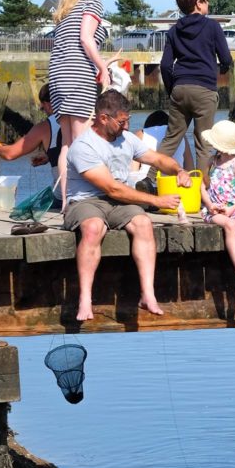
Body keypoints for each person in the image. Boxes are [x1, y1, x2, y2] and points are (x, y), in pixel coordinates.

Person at [63, 90, 191, 321]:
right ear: (103, 118)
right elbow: (112, 188)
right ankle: (85, 299)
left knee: (143, 223)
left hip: (119, 202)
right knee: (93, 228)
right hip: (85, 201)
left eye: (128, 120)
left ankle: (148, 295)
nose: (127, 125)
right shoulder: (84, 146)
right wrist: (156, 201)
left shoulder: (127, 138)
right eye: (122, 121)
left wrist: (179, 170)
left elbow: (159, 159)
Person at [48, 0, 111, 202]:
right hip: (77, 74)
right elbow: (86, 39)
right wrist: (102, 66)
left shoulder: (64, 10)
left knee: (67, 142)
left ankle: (67, 200)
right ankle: (83, 198)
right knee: (84, 140)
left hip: (58, 75)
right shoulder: (92, 3)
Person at [158, 0, 233, 168]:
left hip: (180, 87)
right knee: (204, 143)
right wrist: (222, 69)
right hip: (204, 89)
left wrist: (172, 89)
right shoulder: (212, 27)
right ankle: (203, 189)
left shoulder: (174, 31)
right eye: (206, 1)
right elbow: (226, 58)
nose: (208, 4)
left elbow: (165, 65)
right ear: (199, 3)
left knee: (171, 138)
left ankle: (150, 178)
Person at [199, 119, 235, 294]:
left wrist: (233, 209)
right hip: (214, 210)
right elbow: (203, 187)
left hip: (234, 208)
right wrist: (210, 205)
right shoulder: (211, 162)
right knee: (230, 226)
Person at [0, 83, 63, 210]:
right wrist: (50, 156)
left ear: (48, 104)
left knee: (26, 210)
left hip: (63, 197)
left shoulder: (44, 127)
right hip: (91, 192)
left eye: (43, 108)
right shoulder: (82, 121)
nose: (45, 112)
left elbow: (10, 154)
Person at [128, 110, 192, 189]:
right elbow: (190, 169)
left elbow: (133, 171)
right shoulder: (181, 137)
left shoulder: (141, 134)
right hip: (176, 185)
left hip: (147, 187)